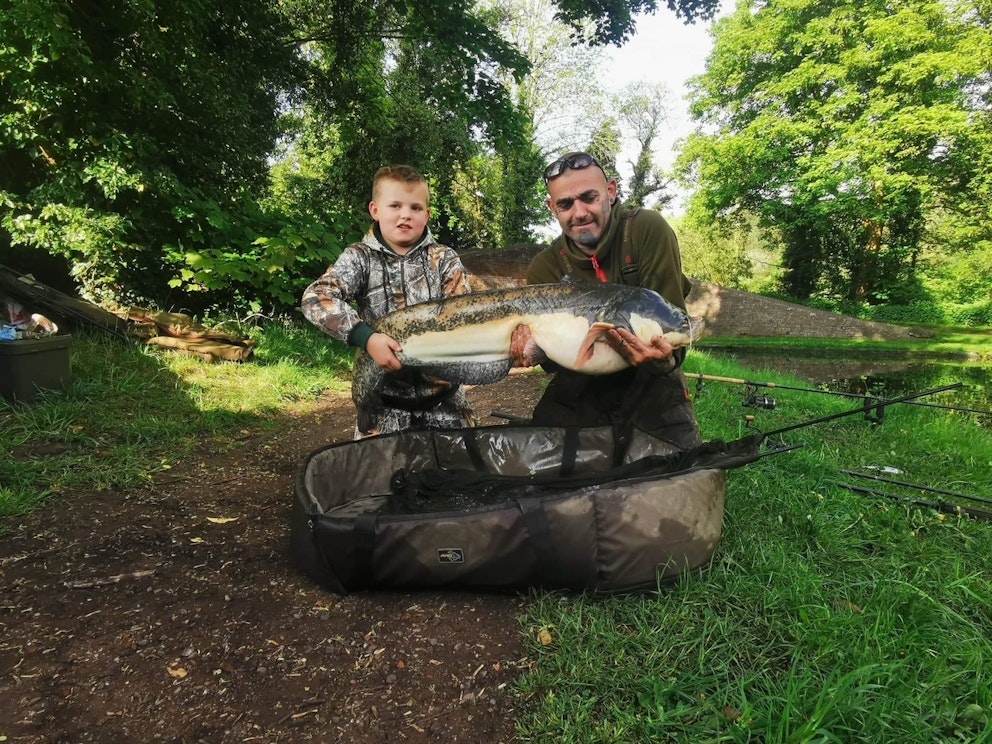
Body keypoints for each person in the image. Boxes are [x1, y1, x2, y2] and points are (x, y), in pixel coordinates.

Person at [512, 152, 701, 450]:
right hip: (580, 387)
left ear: (611, 192)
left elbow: (672, 323)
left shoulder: (646, 230)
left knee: (671, 475)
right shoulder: (545, 267)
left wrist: (664, 359)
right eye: (565, 204)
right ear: (552, 208)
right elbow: (551, 364)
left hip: (651, 384)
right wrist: (531, 350)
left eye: (589, 197)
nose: (580, 212)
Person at [302, 164, 476, 437]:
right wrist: (367, 338)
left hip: (447, 406)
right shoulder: (359, 257)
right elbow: (316, 297)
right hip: (382, 413)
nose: (405, 215)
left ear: (427, 214)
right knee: (383, 480)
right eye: (395, 205)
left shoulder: (444, 258)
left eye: (415, 208)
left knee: (458, 478)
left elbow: (465, 315)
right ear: (375, 210)